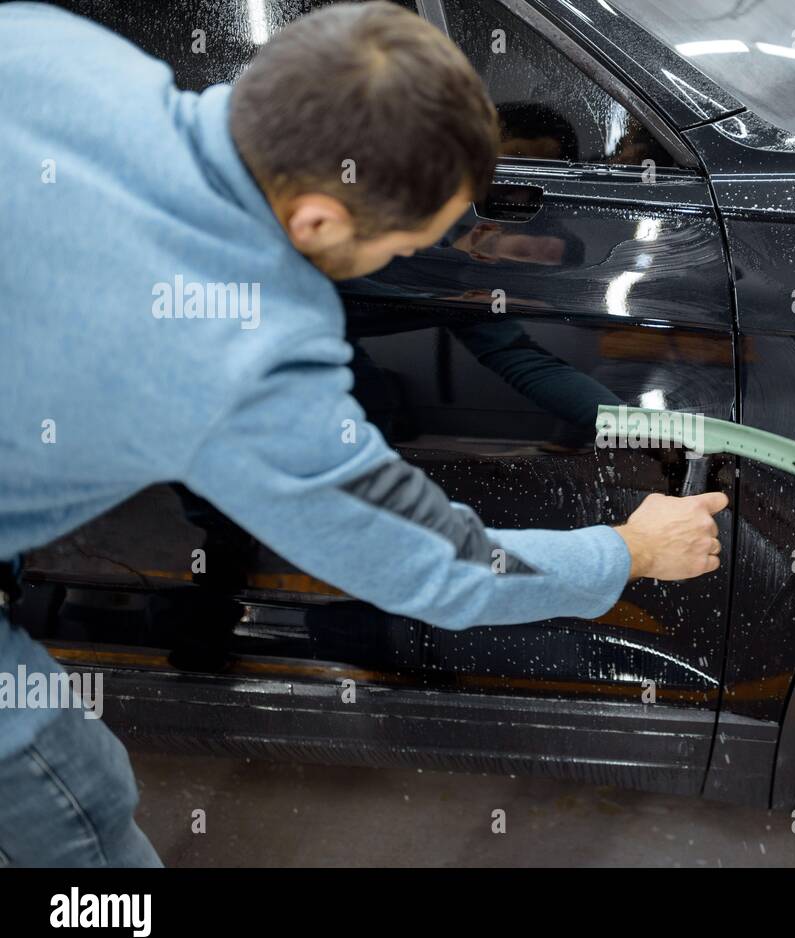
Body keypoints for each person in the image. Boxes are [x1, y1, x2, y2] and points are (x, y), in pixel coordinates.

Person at [0, 0, 727, 866]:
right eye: (397, 246)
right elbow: (436, 566)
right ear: (315, 221)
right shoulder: (248, 353)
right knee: (78, 818)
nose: (408, 260)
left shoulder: (47, 45)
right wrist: (627, 552)